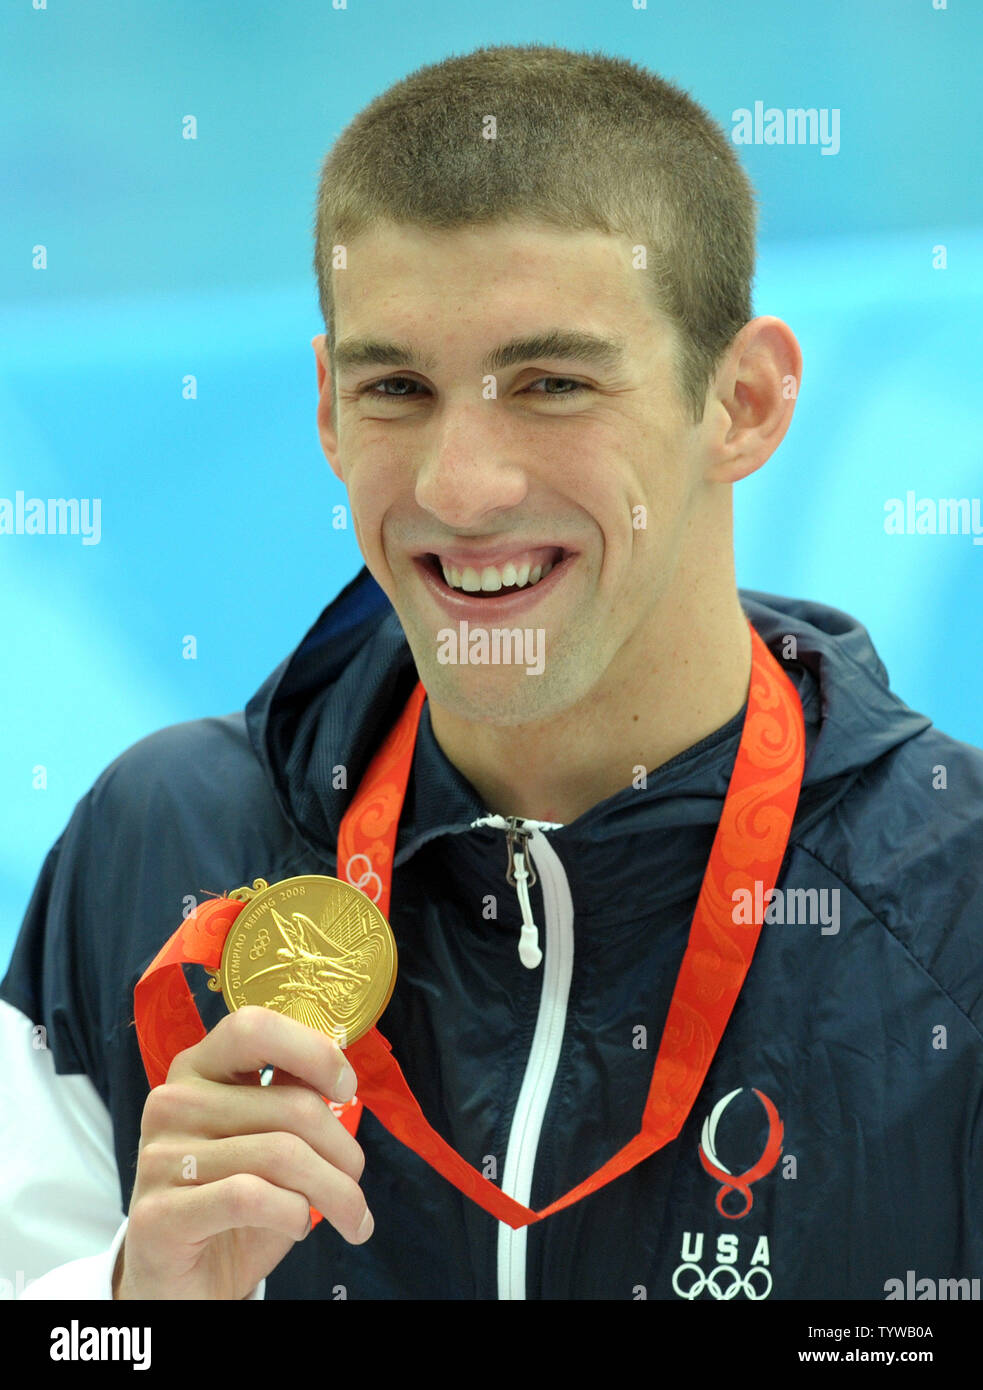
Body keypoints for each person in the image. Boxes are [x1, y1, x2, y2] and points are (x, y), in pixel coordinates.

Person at [3, 43, 982, 1303]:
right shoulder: (155, 844)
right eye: (397, 387)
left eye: (551, 383)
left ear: (740, 401)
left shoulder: (950, 905)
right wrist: (141, 1306)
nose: (460, 489)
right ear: (324, 408)